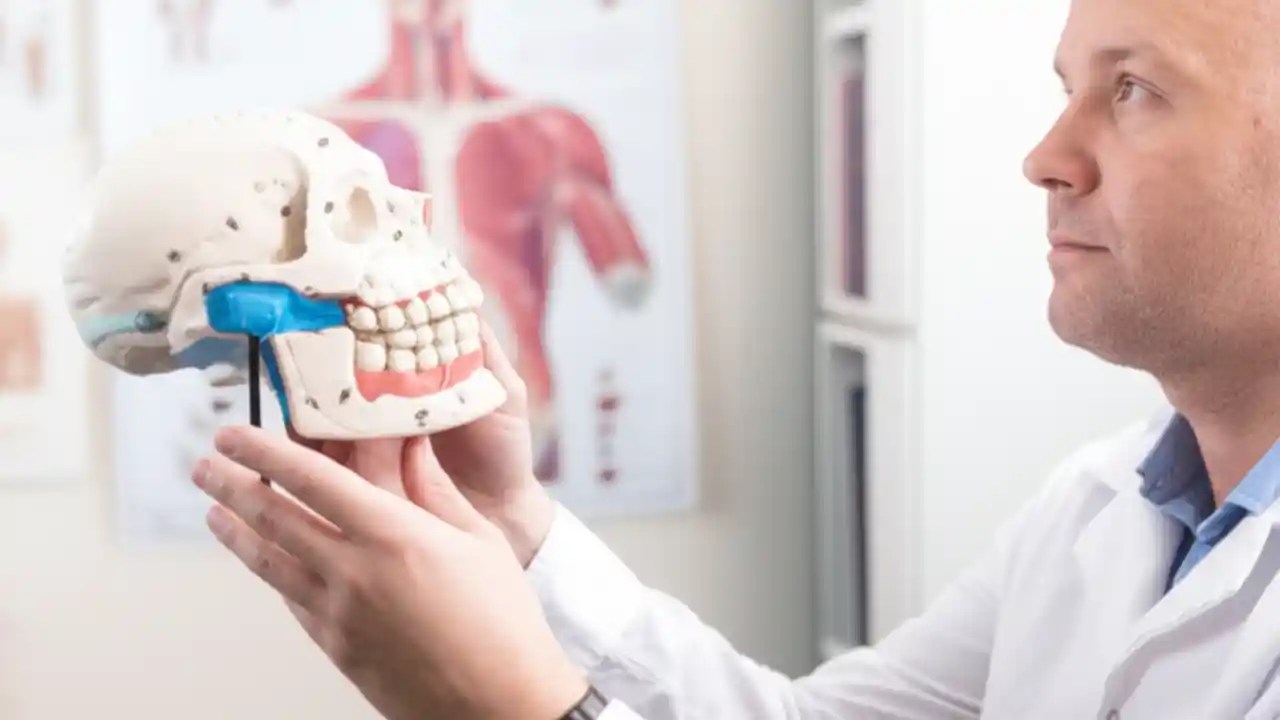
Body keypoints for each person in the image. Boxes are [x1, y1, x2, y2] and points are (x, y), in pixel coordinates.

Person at [189, 0, 1280, 717]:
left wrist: (514, 706)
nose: (1043, 157)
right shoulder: (1099, 505)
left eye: (1132, 90)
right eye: (1066, 90)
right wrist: (513, 523)